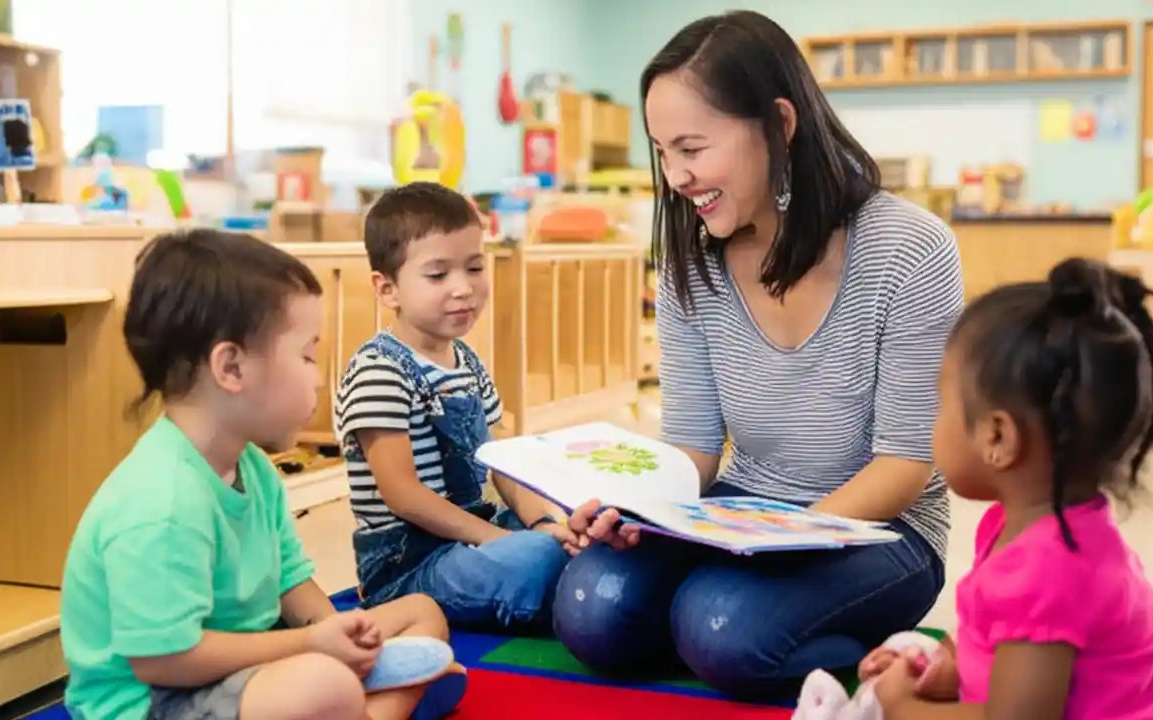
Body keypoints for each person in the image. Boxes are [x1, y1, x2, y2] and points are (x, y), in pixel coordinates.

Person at [554, 10, 961, 696]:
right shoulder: (691, 263)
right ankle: (744, 623)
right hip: (745, 511)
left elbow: (906, 465)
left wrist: (782, 541)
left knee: (722, 627)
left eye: (692, 147)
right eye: (661, 151)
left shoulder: (909, 250)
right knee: (591, 611)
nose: (676, 175)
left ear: (779, 123)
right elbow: (693, 448)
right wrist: (635, 505)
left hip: (884, 530)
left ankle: (868, 670)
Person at [60, 229, 468, 720]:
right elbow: (163, 659)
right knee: (323, 687)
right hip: (156, 699)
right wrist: (311, 646)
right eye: (307, 356)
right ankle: (380, 704)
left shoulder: (252, 467)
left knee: (420, 611)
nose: (319, 377)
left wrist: (342, 633)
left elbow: (289, 580)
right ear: (231, 367)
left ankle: (369, 702)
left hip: (248, 664)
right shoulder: (163, 500)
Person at [861, 258, 1153, 719]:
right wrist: (948, 667)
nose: (934, 420)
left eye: (943, 403)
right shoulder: (1039, 529)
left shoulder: (1050, 575)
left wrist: (903, 707)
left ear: (998, 439)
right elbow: (994, 630)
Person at [335, 182, 574, 632]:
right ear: (387, 289)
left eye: (474, 267)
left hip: (471, 538)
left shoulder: (466, 361)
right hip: (407, 565)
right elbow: (402, 494)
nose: (464, 288)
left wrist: (542, 520)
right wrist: (498, 541)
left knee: (572, 534)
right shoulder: (379, 369)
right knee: (537, 559)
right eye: (438, 275)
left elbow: (501, 459)